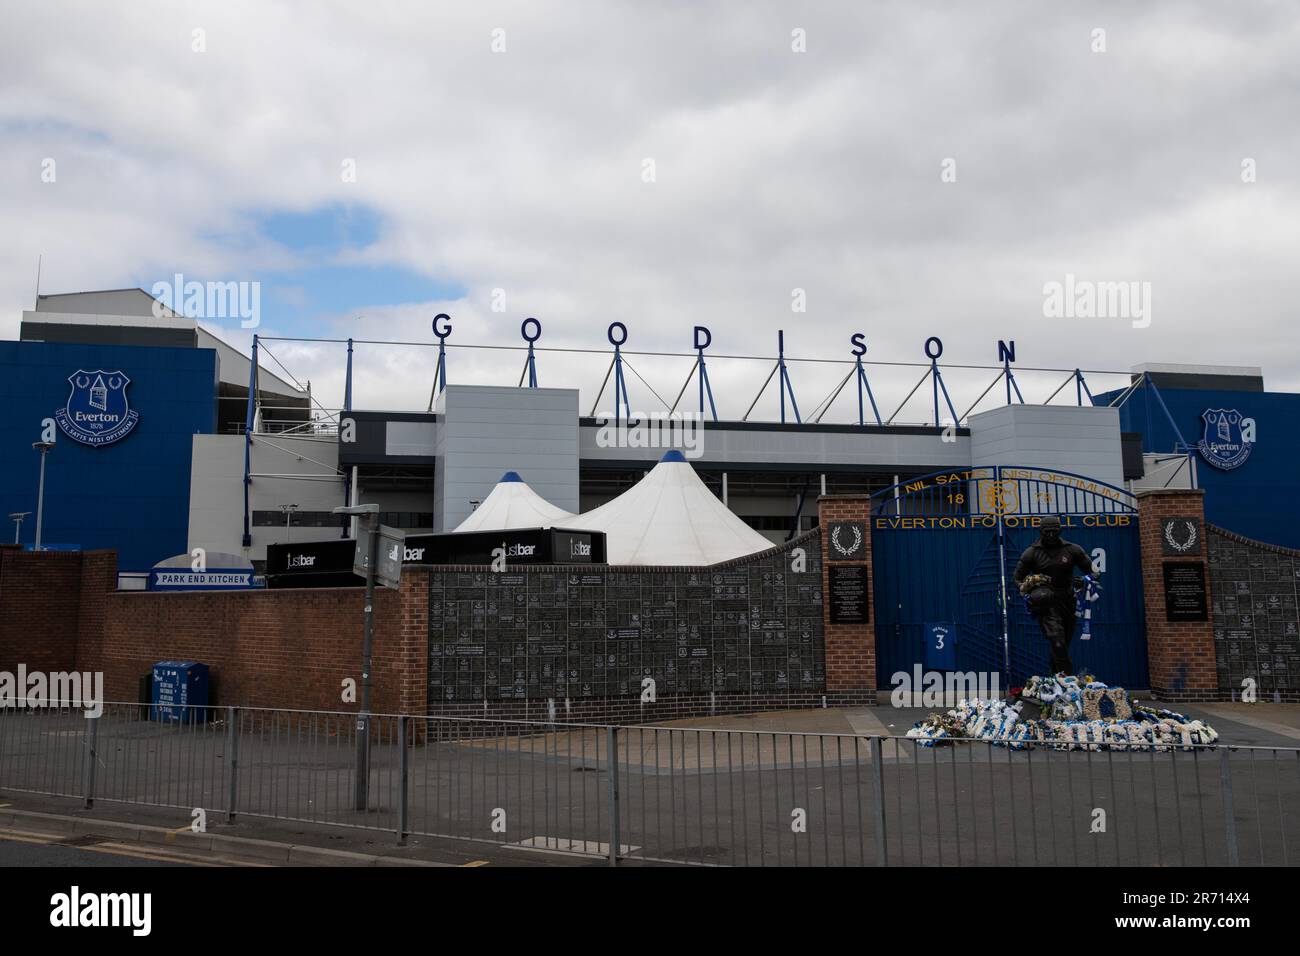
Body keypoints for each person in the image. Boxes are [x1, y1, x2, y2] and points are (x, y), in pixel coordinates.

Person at [1013, 515, 1096, 675]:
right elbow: (1017, 579)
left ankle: (1054, 679)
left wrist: (1085, 579)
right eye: (1047, 532)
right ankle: (1070, 682)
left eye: (1054, 531)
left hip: (1068, 600)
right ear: (1040, 531)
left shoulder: (1072, 549)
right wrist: (1028, 588)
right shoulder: (1031, 553)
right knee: (1056, 640)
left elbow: (1094, 572)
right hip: (1046, 601)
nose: (1051, 535)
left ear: (1060, 530)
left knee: (1063, 643)